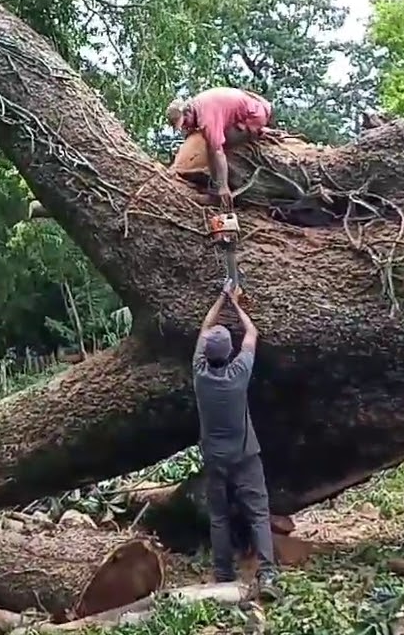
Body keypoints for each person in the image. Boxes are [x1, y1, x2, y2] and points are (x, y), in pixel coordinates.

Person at [192, 279, 279, 599]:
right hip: (245, 455)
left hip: (215, 458)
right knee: (258, 511)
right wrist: (237, 304)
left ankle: (224, 575)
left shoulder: (200, 374)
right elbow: (253, 335)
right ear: (229, 353)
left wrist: (220, 299)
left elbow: (205, 328)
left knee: (219, 516)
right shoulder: (238, 374)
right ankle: (267, 575)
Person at [167, 87, 274, 209]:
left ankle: (221, 191)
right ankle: (215, 186)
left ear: (188, 112)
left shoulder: (207, 117)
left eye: (185, 123)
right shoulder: (197, 106)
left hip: (252, 116)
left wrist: (222, 186)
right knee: (210, 143)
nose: (185, 127)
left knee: (217, 146)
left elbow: (217, 151)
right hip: (245, 110)